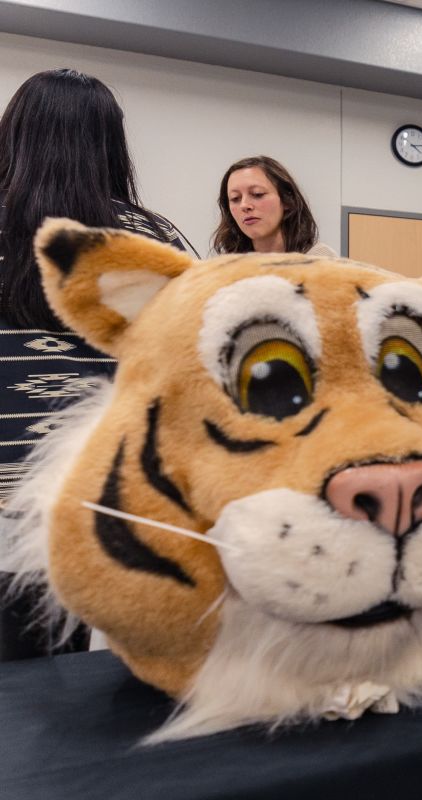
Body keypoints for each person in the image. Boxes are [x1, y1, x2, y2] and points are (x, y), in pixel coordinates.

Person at [0, 68, 189, 660]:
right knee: (77, 672)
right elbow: (184, 366)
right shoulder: (145, 239)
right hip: (96, 489)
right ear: (111, 143)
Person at [212, 155, 337, 257]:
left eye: (257, 194)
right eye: (235, 199)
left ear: (287, 200)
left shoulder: (319, 259)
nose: (244, 205)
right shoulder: (229, 267)